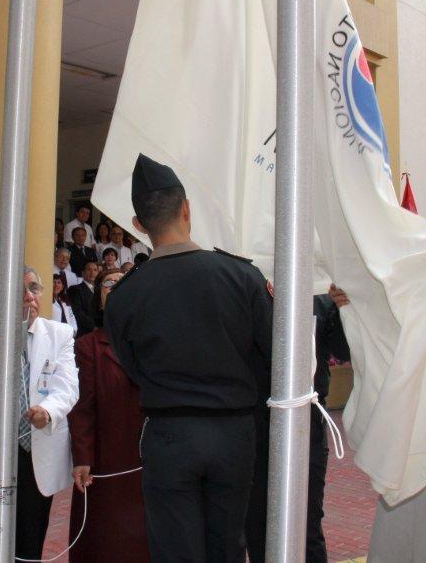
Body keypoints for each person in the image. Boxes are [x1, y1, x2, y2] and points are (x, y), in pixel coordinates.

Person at [105, 154, 273, 562]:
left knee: (175, 551)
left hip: (170, 433)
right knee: (228, 547)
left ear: (138, 224)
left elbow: (132, 367)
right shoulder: (243, 277)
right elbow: (271, 355)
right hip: (234, 432)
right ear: (186, 209)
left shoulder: (124, 295)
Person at [0, 267, 79, 562]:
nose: (28, 296)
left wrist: (48, 411)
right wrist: (10, 333)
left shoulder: (60, 334)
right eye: (19, 290)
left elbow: (67, 387)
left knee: (29, 541)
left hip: (36, 451)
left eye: (34, 288)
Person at [244, 288, 351, 563]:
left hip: (307, 421)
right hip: (256, 422)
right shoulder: (249, 288)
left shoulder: (320, 296)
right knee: (257, 522)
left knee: (306, 522)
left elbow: (343, 350)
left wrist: (346, 312)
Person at [67, 268, 148, 562]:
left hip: (149, 457)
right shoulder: (87, 346)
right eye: (109, 283)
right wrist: (82, 457)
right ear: (98, 299)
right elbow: (82, 409)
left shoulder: (151, 341)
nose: (116, 287)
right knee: (106, 540)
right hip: (107, 459)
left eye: (123, 282)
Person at [67, 262, 99, 337]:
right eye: (89, 270)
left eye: (95, 270)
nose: (92, 273)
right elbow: (77, 311)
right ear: (83, 273)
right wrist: (93, 326)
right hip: (84, 332)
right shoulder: (75, 289)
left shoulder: (100, 290)